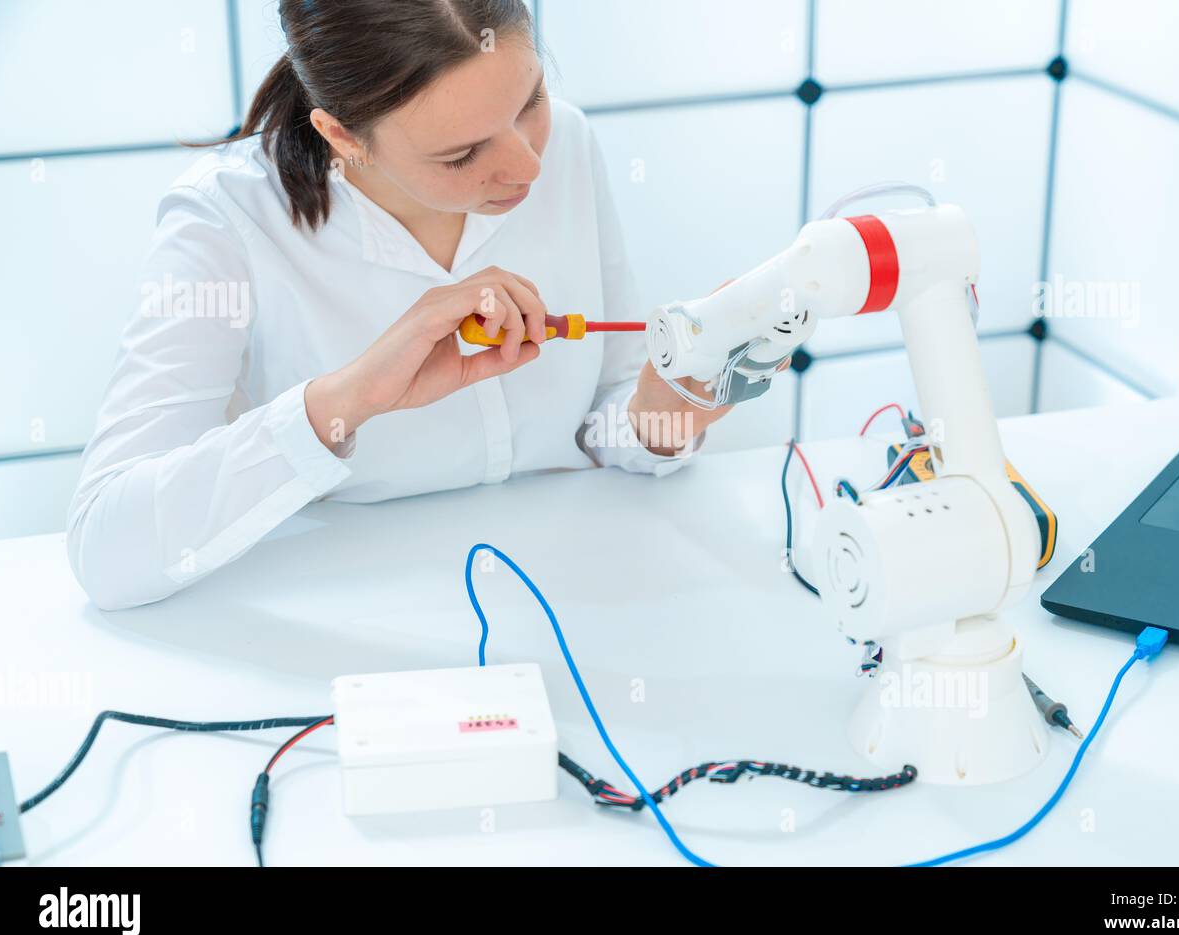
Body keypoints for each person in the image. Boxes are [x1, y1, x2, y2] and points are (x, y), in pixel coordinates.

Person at [67, 0, 735, 611]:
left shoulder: (565, 142)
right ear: (342, 135)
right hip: (353, 615)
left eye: (531, 100)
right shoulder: (225, 219)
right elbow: (106, 549)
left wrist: (657, 420)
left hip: (579, 593)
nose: (528, 166)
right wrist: (345, 399)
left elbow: (599, 418)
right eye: (463, 154)